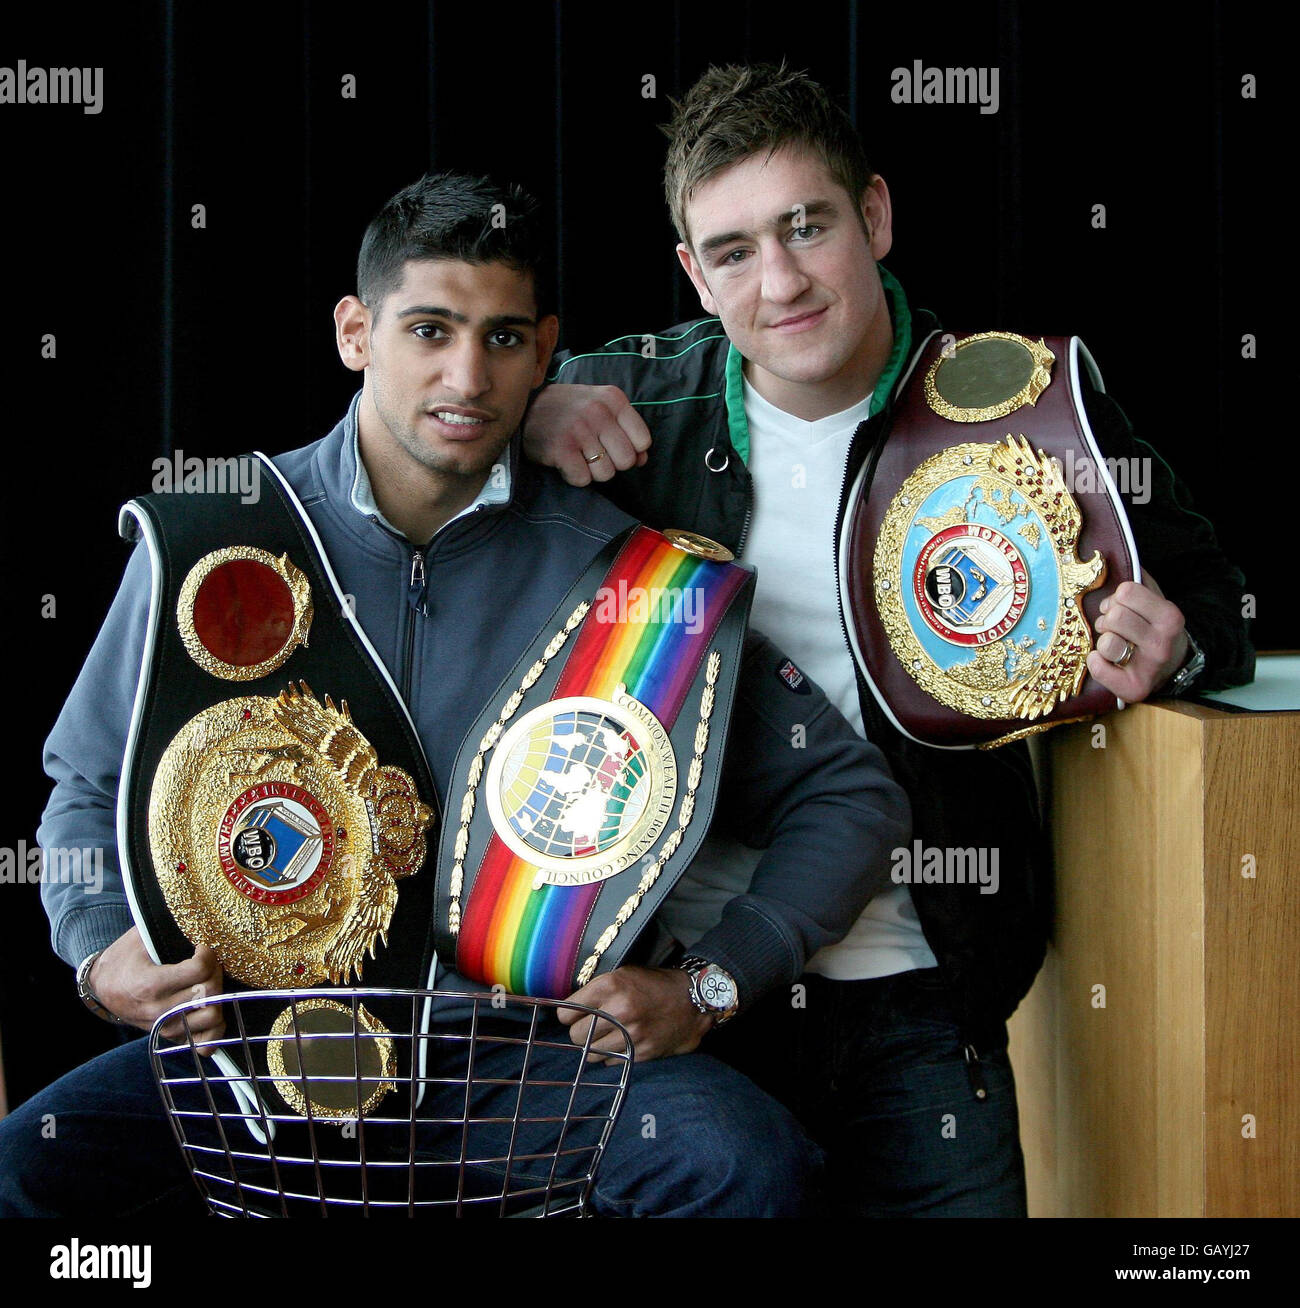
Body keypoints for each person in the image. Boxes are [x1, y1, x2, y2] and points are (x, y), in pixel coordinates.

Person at [0, 170, 910, 1219]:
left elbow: (852, 798)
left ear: (546, 348)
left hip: (517, 1066)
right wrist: (97, 946)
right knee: (27, 1173)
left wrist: (711, 983)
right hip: (248, 1058)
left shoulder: (627, 581)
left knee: (746, 1167)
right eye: (429, 331)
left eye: (504, 339)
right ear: (355, 331)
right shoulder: (216, 535)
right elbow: (87, 779)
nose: (467, 376)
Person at [522, 63, 1255, 1216]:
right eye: (733, 251)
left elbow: (1214, 599)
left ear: (873, 214)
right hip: (669, 1004)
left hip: (921, 996)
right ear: (692, 273)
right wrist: (525, 411)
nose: (780, 281)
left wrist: (1176, 646)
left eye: (806, 226)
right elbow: (408, 456)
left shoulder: (1017, 407)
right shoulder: (625, 408)